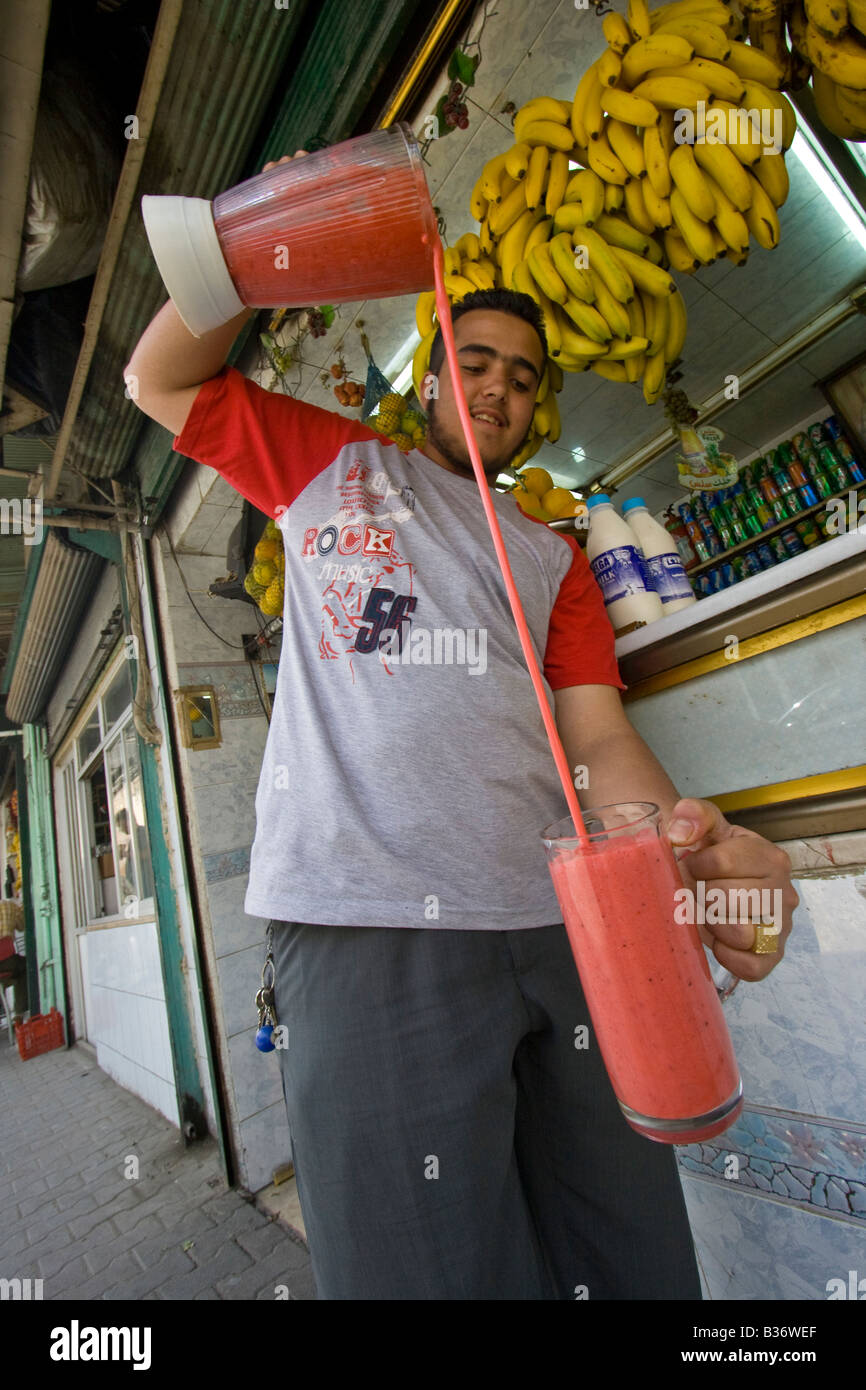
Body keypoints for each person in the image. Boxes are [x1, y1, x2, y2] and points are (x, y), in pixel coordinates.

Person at [124, 152, 798, 1301]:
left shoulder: (557, 560)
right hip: (365, 921)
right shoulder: (329, 467)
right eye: (472, 361)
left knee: (628, 1253)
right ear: (432, 376)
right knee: (426, 1273)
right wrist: (271, 241)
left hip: (564, 926)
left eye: (523, 379)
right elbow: (159, 379)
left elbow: (596, 742)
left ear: (537, 411)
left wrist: (667, 843)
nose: (495, 388)